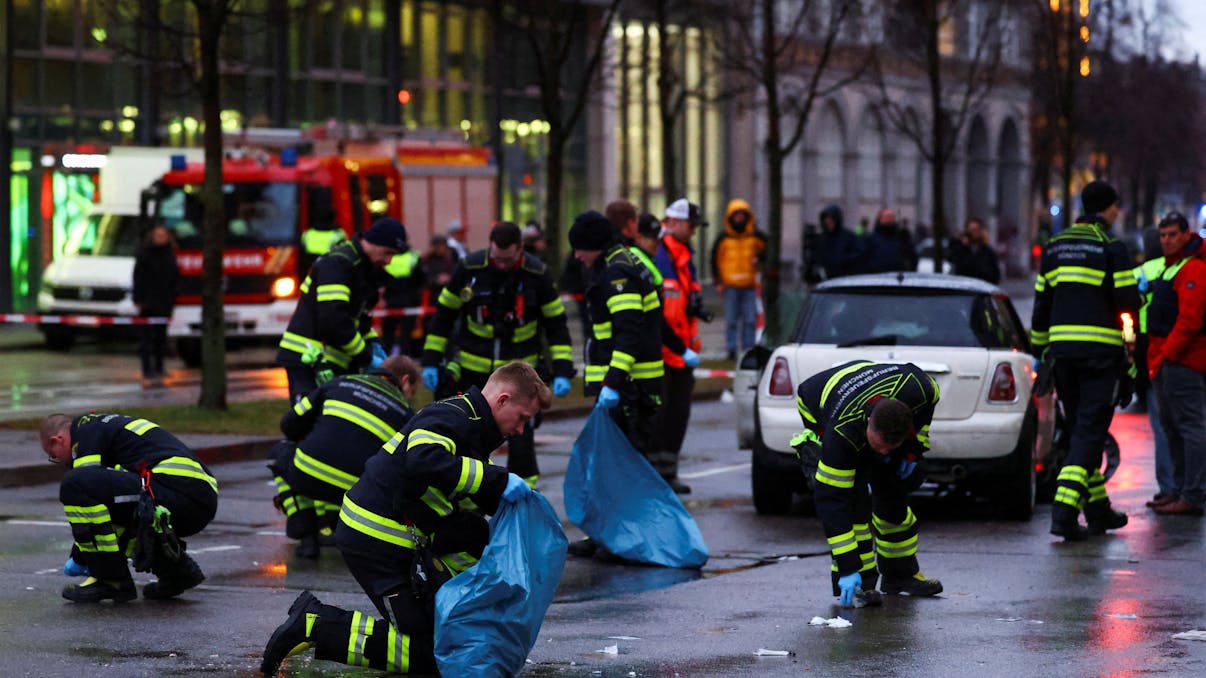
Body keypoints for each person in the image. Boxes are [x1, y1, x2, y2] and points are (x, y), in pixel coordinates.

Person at [259, 361, 551, 676]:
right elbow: (424, 461)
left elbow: (456, 489)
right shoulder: (452, 416)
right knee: (431, 654)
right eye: (522, 419)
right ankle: (315, 625)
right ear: (503, 399)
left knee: (440, 640)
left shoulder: (471, 426)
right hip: (374, 537)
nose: (521, 430)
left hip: (389, 537)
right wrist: (497, 480)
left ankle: (317, 622)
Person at [420, 221, 574, 486]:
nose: (501, 264)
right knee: (469, 434)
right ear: (490, 247)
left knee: (521, 437)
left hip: (519, 374)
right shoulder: (470, 269)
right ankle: (469, 493)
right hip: (474, 370)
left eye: (507, 259)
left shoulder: (536, 274)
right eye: (496, 258)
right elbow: (443, 316)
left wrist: (562, 368)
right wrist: (431, 361)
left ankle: (525, 494)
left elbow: (556, 324)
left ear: (520, 249)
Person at [1031, 180, 1141, 540]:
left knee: (1082, 430)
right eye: (1115, 208)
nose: (1116, 213)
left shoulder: (1054, 246)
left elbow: (1041, 307)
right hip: (1100, 356)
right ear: (1109, 208)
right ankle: (1063, 514)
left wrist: (1041, 356)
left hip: (1062, 355)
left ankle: (1098, 511)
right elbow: (1127, 306)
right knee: (1090, 432)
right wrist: (1131, 351)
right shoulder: (1111, 246)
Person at [794, 360, 943, 607]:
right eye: (879, 445)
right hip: (819, 401)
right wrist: (847, 569)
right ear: (869, 423)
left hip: (874, 386)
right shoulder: (842, 434)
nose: (883, 451)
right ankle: (860, 581)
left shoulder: (919, 389)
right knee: (854, 504)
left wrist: (913, 450)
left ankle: (901, 576)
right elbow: (830, 501)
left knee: (893, 497)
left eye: (890, 447)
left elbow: (927, 410)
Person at [41, 412, 218, 603]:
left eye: (54, 456)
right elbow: (107, 504)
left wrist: (81, 557)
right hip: (196, 497)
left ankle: (111, 580)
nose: (61, 462)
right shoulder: (105, 430)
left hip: (175, 488)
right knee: (119, 506)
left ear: (58, 440)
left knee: (73, 484)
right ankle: (176, 572)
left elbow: (83, 484)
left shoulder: (86, 431)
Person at [268, 355, 420, 558]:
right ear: (404, 380)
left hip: (306, 475)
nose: (410, 397)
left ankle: (306, 536)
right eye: (413, 391)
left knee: (281, 452)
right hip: (358, 495)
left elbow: (289, 424)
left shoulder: (339, 383)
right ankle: (337, 528)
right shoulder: (407, 415)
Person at [570, 209, 666, 494]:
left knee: (623, 468)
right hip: (628, 386)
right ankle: (612, 535)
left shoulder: (617, 272)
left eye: (579, 248)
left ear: (594, 246)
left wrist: (612, 383)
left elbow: (628, 334)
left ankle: (623, 535)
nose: (576, 256)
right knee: (616, 467)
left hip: (629, 389)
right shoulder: (622, 262)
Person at [276, 217, 408, 404]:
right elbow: (334, 321)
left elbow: (358, 319)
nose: (388, 261)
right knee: (308, 422)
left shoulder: (360, 267)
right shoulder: (339, 264)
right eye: (387, 253)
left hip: (328, 358)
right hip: (308, 357)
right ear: (373, 241)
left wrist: (374, 343)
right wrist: (366, 356)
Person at [1144, 212, 1206, 517]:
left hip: (1182, 361)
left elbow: (1189, 320)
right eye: (1163, 235)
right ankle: (1180, 492)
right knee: (1173, 428)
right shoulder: (1174, 267)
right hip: (1168, 360)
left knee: (1189, 428)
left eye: (1172, 235)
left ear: (1185, 234)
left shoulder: (1192, 268)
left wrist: (1168, 354)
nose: (1166, 240)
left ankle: (1191, 495)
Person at [654, 199, 709, 494]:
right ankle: (656, 477)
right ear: (673, 222)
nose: (694, 232)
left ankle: (668, 473)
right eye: (691, 226)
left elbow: (687, 293)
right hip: (664, 351)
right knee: (660, 418)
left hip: (682, 351)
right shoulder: (659, 252)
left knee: (678, 415)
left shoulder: (684, 254)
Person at [1132, 240, 1175, 507]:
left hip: (1146, 346)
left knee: (1160, 425)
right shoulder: (1179, 269)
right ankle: (1188, 486)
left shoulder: (1140, 273)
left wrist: (1129, 345)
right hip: (1178, 346)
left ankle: (1168, 486)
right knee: (1186, 424)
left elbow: (1125, 316)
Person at [711, 199, 767, 361]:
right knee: (731, 320)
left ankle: (748, 349)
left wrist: (759, 257)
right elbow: (714, 260)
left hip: (749, 286)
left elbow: (769, 249)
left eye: (742, 215)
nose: (739, 219)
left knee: (750, 319)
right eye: (736, 216)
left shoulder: (756, 237)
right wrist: (718, 282)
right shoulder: (723, 239)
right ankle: (731, 350)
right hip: (731, 286)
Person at [132, 224, 180, 388]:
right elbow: (138, 277)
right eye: (157, 235)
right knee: (146, 340)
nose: (160, 238)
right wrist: (139, 300)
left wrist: (172, 303)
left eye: (163, 235)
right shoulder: (145, 254)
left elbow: (174, 280)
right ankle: (147, 369)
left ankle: (159, 367)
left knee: (161, 339)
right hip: (147, 304)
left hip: (164, 304)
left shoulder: (170, 256)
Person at [380, 244, 426, 357]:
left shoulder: (388, 257)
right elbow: (423, 279)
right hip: (409, 302)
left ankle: (384, 361)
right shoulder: (414, 257)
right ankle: (404, 363)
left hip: (391, 301)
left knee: (388, 336)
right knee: (406, 336)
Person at [816, 204, 864, 280]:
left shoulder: (849, 236)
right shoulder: (822, 238)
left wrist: (844, 260)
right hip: (827, 278)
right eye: (827, 221)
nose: (829, 223)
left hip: (846, 277)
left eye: (831, 220)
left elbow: (859, 254)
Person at [948, 217, 1001, 284]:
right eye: (972, 230)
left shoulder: (988, 252)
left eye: (977, 230)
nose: (974, 233)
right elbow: (952, 260)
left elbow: (994, 274)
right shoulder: (959, 247)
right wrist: (962, 246)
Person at [865, 208, 917, 273]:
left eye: (891, 217)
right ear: (879, 219)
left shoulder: (902, 238)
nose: (889, 219)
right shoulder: (870, 239)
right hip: (875, 278)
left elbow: (912, 258)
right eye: (886, 217)